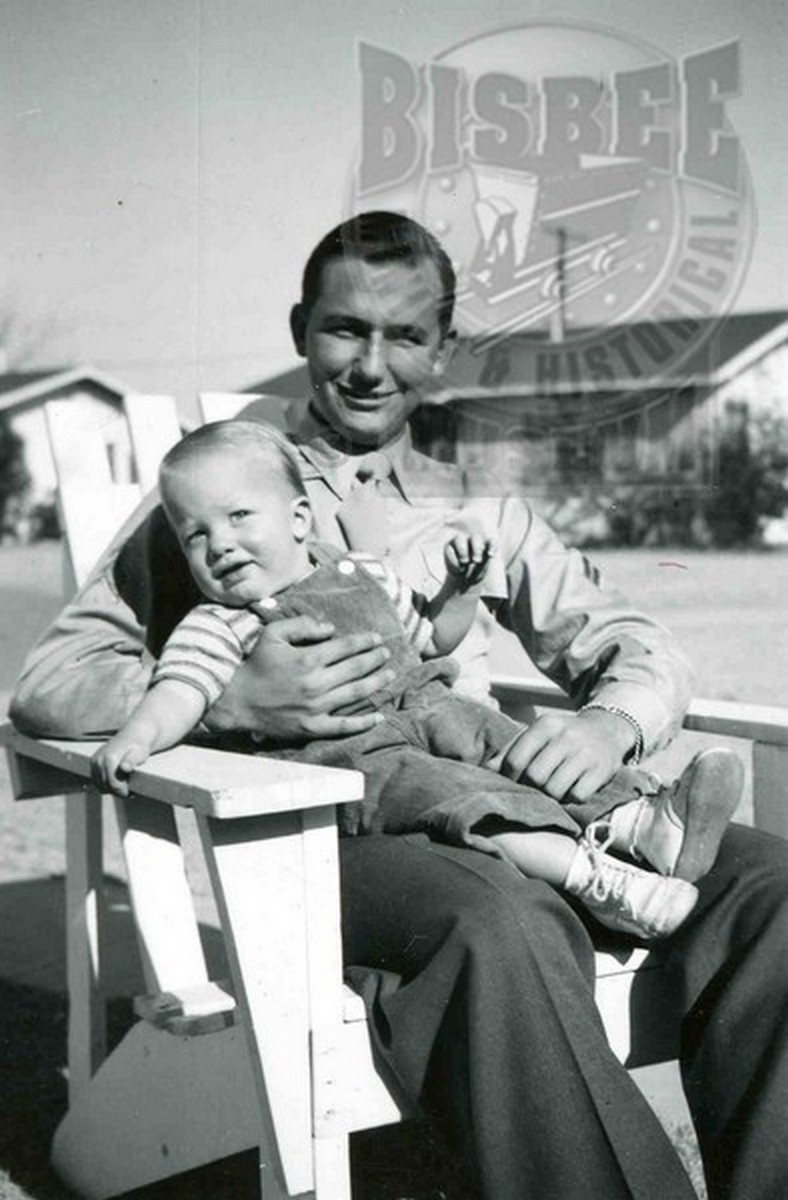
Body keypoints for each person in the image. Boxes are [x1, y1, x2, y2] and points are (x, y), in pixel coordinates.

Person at [11, 211, 788, 1200]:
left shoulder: (482, 509)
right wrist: (231, 701)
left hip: (504, 793)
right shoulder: (222, 492)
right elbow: (53, 679)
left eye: (406, 336)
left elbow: (635, 642)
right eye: (346, 329)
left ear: (442, 351)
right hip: (335, 832)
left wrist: (609, 723)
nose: (372, 366)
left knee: (768, 887)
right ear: (301, 330)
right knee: (498, 919)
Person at [91, 418, 741, 939]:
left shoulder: (362, 572)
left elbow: (430, 639)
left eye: (239, 518)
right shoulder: (218, 624)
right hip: (352, 759)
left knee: (510, 745)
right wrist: (137, 738)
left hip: (431, 706)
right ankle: (601, 882)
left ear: (298, 520)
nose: (220, 545)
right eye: (196, 536)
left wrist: (461, 590)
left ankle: (641, 820)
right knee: (458, 793)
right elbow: (180, 692)